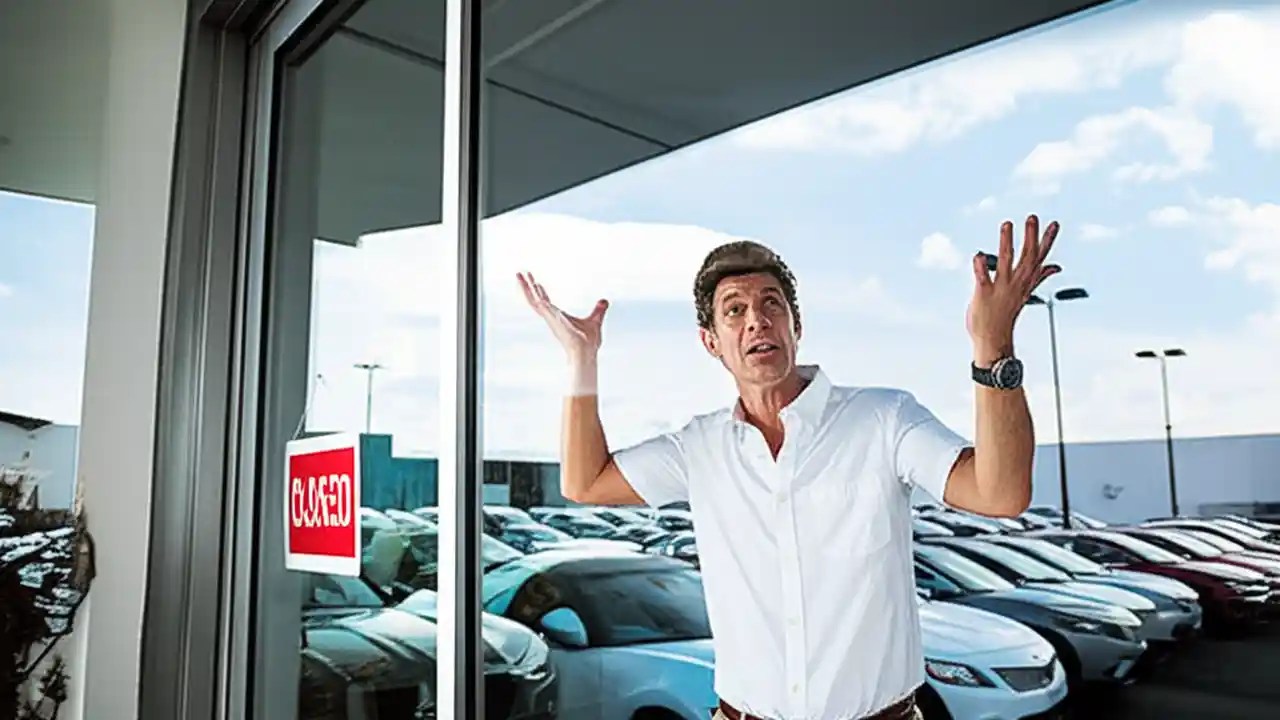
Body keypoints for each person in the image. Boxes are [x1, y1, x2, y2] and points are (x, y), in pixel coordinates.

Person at [517, 215, 1061, 720]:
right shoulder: (698, 448)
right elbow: (584, 482)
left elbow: (1001, 492)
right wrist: (581, 359)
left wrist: (993, 345)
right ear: (712, 342)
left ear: (796, 325)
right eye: (734, 309)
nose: (756, 319)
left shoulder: (883, 419)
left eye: (771, 304)